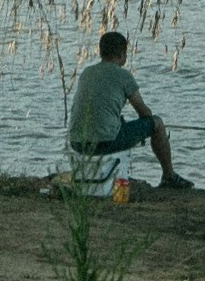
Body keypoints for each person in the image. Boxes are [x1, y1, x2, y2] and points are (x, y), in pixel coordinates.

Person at [64, 27, 181, 198]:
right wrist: (140, 129)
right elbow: (144, 112)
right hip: (105, 142)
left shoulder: (86, 73)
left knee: (119, 123)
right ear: (122, 55)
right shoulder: (123, 76)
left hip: (77, 142)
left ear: (101, 52)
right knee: (157, 123)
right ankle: (169, 175)